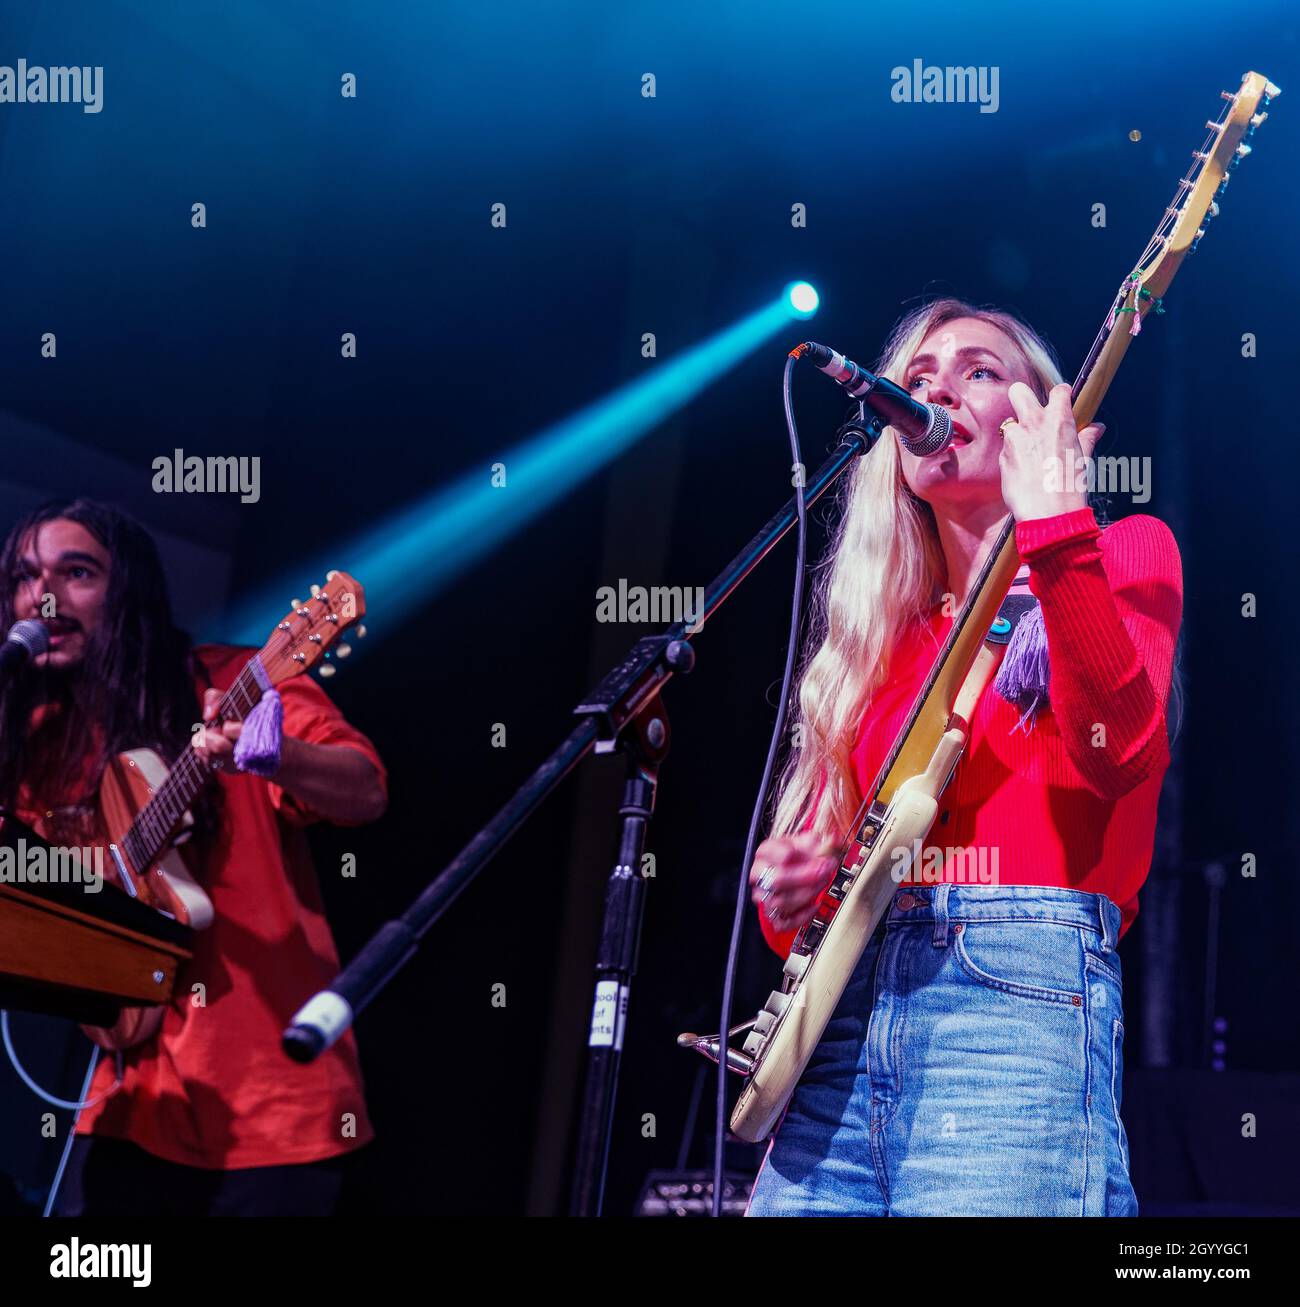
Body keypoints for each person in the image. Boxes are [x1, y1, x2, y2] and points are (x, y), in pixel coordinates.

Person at [744, 298, 1182, 1216]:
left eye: (978, 369)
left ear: (1044, 424)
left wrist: (1056, 521)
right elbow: (825, 918)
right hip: (843, 1037)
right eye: (920, 375)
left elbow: (1122, 754)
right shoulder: (876, 642)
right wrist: (798, 889)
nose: (934, 386)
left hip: (1014, 1004)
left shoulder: (1123, 555)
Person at [0, 499, 387, 1216]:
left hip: (270, 1112)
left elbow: (363, 789)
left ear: (130, 590)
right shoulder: (39, 739)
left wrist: (277, 758)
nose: (43, 596)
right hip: (124, 1099)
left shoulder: (238, 679)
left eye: (76, 571)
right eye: (25, 576)